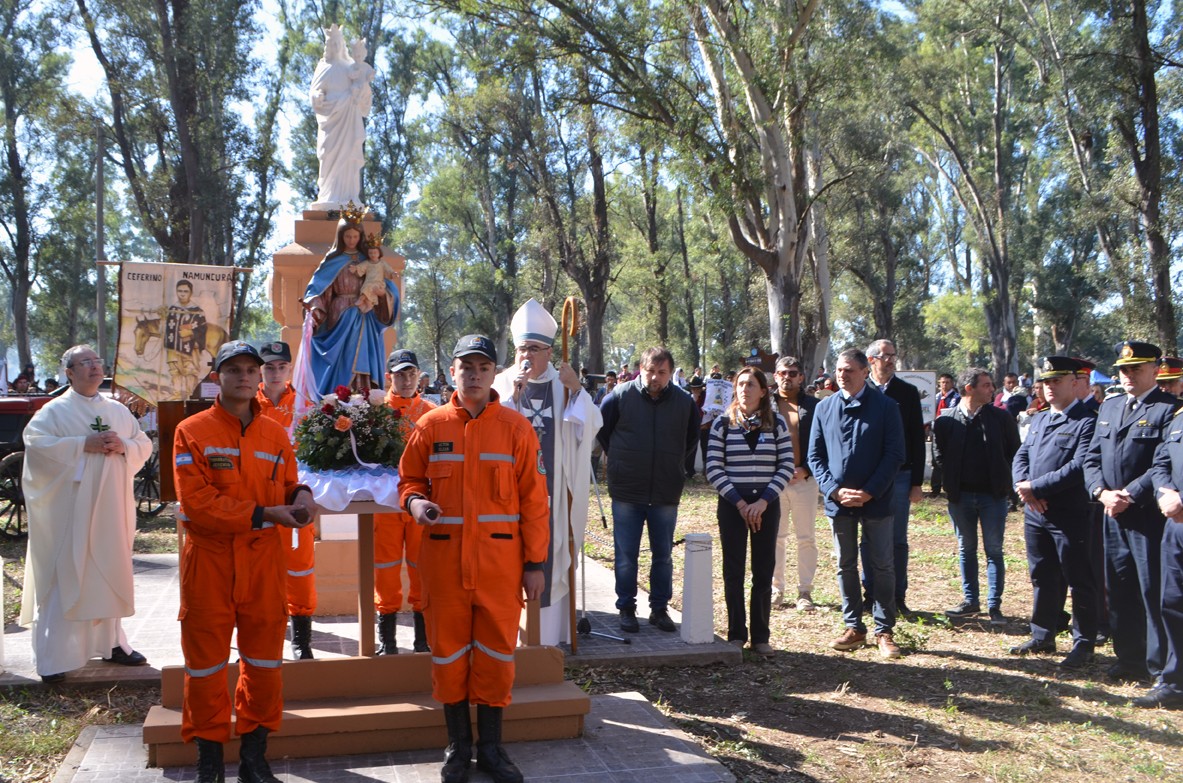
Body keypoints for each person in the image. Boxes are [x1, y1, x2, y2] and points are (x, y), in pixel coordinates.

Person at [399, 334, 549, 783]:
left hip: (500, 567)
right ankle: (457, 749)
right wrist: (414, 504)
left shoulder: (516, 428)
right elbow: (408, 481)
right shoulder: (430, 426)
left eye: (483, 367)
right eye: (467, 367)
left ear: (493, 372)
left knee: (496, 657)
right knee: (448, 656)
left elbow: (534, 501)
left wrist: (535, 564)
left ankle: (492, 750)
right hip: (444, 565)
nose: (475, 374)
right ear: (452, 372)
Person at [173, 341, 319, 783]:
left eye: (250, 369)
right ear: (216, 376)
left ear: (260, 377)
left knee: (265, 663)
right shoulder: (192, 431)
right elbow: (196, 503)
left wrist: (303, 497)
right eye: (232, 369)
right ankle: (210, 761)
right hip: (210, 564)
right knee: (205, 667)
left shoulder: (275, 433)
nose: (242, 376)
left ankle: (255, 758)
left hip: (262, 563)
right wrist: (262, 514)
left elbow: (290, 482)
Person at [19, 344, 152, 683]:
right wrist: (82, 445)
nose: (94, 367)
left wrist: (125, 447)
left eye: (97, 361)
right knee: (67, 575)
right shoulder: (54, 411)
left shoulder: (118, 411)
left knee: (109, 569)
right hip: (70, 513)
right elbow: (36, 445)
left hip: (111, 509)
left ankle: (112, 645)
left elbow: (143, 443)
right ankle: (55, 658)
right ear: (69, 372)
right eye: (85, 363)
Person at [491, 299, 602, 647]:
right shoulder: (502, 383)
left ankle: (550, 638)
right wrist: (514, 394)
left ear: (549, 351)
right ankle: (509, 634)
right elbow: (490, 426)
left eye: (534, 349)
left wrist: (576, 391)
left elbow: (591, 425)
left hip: (552, 491)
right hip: (506, 492)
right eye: (522, 348)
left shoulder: (563, 381)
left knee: (551, 555)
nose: (526, 355)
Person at [1084, 340, 1179, 683]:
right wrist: (1101, 492)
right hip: (1112, 513)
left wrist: (1130, 493)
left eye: (1136, 369)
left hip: (1148, 516)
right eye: (1124, 369)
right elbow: (1091, 457)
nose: (1128, 375)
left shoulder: (1169, 409)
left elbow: (1163, 463)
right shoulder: (1109, 407)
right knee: (1119, 587)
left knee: (1152, 591)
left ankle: (1158, 666)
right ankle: (1129, 660)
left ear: (1155, 369)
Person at [807, 348, 905, 659]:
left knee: (881, 565)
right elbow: (815, 456)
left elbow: (894, 455)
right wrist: (833, 490)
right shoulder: (825, 409)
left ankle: (884, 630)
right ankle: (854, 627)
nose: (842, 374)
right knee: (844, 564)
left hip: (876, 501)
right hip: (839, 503)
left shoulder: (886, 407)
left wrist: (869, 491)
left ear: (865, 371)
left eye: (849, 369)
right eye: (838, 369)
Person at [598, 347, 701, 634]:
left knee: (663, 555)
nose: (655, 378)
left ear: (671, 373)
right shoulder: (619, 396)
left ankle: (659, 609)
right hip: (627, 490)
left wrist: (675, 464)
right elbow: (602, 430)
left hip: (666, 490)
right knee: (626, 554)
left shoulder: (684, 403)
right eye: (650, 371)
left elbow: (691, 438)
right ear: (640, 370)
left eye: (662, 372)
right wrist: (621, 459)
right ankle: (627, 608)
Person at [1010, 357, 1099, 667]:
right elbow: (1021, 455)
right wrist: (1023, 487)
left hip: (1068, 513)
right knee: (1042, 574)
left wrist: (1037, 488)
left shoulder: (1087, 421)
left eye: (1056, 381)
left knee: (1079, 579)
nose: (1049, 387)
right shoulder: (1042, 419)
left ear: (1074, 383)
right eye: (1046, 382)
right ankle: (1043, 634)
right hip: (1036, 512)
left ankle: (1084, 643)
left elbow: (1078, 467)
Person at [706, 367, 794, 655]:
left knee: (763, 569)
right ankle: (735, 633)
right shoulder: (722, 424)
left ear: (763, 390)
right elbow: (714, 468)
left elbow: (785, 466)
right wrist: (742, 504)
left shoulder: (777, 423)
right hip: (733, 507)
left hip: (766, 506)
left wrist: (763, 502)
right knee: (733, 570)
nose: (744, 389)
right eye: (740, 384)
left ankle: (760, 636)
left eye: (751, 384)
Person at [931, 368, 1020, 624]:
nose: (992, 389)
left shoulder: (1000, 418)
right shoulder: (946, 420)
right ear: (969, 388)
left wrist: (1008, 486)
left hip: (993, 497)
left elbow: (1014, 452)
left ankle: (995, 607)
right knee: (966, 549)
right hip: (961, 497)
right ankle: (971, 601)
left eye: (992, 385)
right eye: (987, 385)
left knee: (994, 551)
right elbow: (939, 456)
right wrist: (951, 481)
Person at [254, 341, 318, 660]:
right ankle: (263, 636)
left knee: (300, 567)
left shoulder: (306, 402)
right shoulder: (249, 404)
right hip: (258, 497)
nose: (275, 373)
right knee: (258, 570)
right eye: (269, 367)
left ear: (291, 369)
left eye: (281, 367)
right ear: (260, 371)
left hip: (294, 496)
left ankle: (301, 639)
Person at [372, 349, 436, 654]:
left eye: (411, 373)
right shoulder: (373, 413)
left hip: (420, 503)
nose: (407, 380)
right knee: (385, 567)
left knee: (421, 566)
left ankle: (422, 638)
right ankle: (388, 640)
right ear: (389, 378)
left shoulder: (432, 412)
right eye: (400, 375)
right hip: (384, 506)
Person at [301, 215, 399, 396]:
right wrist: (314, 309)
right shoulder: (332, 261)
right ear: (340, 237)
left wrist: (382, 294)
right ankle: (339, 397)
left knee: (364, 355)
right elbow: (320, 290)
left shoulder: (370, 259)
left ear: (360, 237)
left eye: (355, 237)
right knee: (342, 358)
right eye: (348, 237)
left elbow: (388, 287)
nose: (352, 241)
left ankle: (364, 398)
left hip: (364, 313)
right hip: (339, 316)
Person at [863, 339, 925, 617]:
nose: (889, 360)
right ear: (870, 360)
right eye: (883, 355)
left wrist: (916, 483)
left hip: (900, 476)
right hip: (866, 476)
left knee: (897, 539)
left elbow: (917, 438)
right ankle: (871, 595)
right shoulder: (861, 390)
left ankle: (897, 597)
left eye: (892, 355)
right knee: (868, 539)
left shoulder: (908, 392)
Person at [770, 356, 820, 611]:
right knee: (775, 537)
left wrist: (806, 469)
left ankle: (805, 591)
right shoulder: (765, 404)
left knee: (806, 537)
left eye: (792, 373)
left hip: (805, 481)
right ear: (775, 376)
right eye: (782, 373)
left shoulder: (815, 407)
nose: (787, 377)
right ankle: (776, 589)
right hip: (773, 483)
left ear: (801, 377)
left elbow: (822, 443)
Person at [1145, 403, 1183, 707]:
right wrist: (1165, 492)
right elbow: (1160, 462)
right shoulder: (1179, 419)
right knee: (1173, 602)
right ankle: (1175, 681)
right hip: (1176, 524)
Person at [164, 278, 208, 400]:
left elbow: (203, 330)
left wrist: (191, 332)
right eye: (179, 291)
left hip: (190, 347)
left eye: (185, 291)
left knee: (190, 372)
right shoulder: (172, 309)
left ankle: (190, 395)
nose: (182, 294)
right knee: (174, 371)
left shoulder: (197, 311)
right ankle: (176, 396)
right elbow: (169, 329)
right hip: (173, 347)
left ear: (190, 293)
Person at [931, 373, 961, 496]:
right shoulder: (936, 397)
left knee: (950, 460)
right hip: (936, 430)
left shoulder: (957, 398)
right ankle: (935, 489)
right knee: (936, 460)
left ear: (952, 383)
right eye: (942, 382)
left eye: (947, 382)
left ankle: (950, 487)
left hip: (950, 431)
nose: (944, 385)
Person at [353, 235, 398, 314]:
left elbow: (388, 270)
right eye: (370, 253)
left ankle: (361, 299)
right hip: (368, 282)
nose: (373, 255)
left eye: (375, 253)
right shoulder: (367, 263)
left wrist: (393, 274)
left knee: (368, 288)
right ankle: (369, 304)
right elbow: (360, 268)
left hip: (378, 283)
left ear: (379, 253)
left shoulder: (382, 263)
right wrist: (355, 269)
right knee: (367, 289)